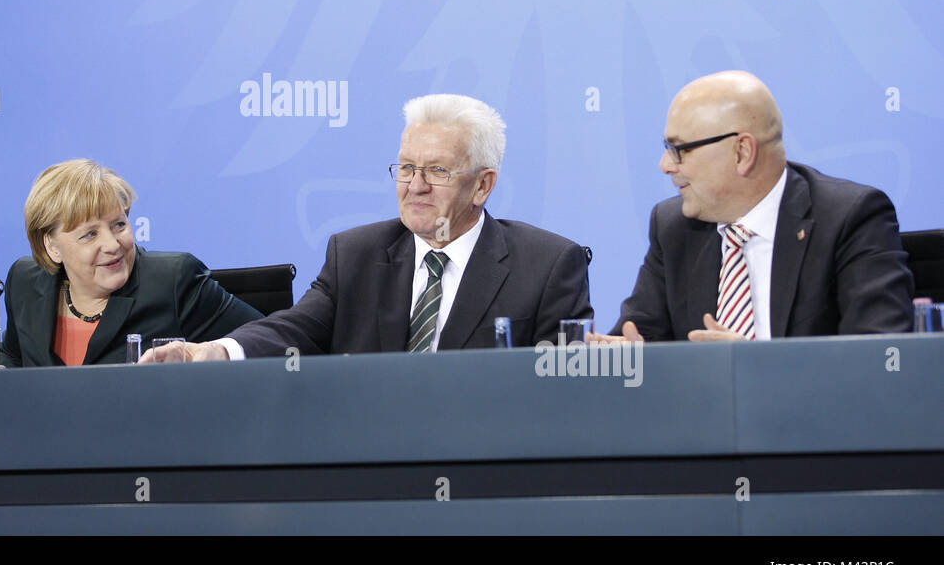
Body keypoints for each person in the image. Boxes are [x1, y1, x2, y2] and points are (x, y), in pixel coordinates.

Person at [142, 94, 593, 361]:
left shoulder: (547, 265)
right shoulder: (356, 254)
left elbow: (563, 392)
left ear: (482, 185)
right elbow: (294, 329)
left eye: (436, 170)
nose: (414, 186)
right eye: (406, 167)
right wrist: (218, 351)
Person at [604, 71, 913, 342]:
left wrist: (754, 370)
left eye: (679, 149)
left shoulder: (849, 219)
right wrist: (626, 358)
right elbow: (640, 335)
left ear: (742, 152)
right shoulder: (673, 227)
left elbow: (878, 358)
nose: (665, 165)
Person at [0, 159, 262, 366]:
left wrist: (213, 354)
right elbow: (11, 360)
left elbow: (268, 344)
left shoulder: (172, 281)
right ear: (52, 246)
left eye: (119, 225)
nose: (113, 245)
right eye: (90, 234)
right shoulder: (23, 282)